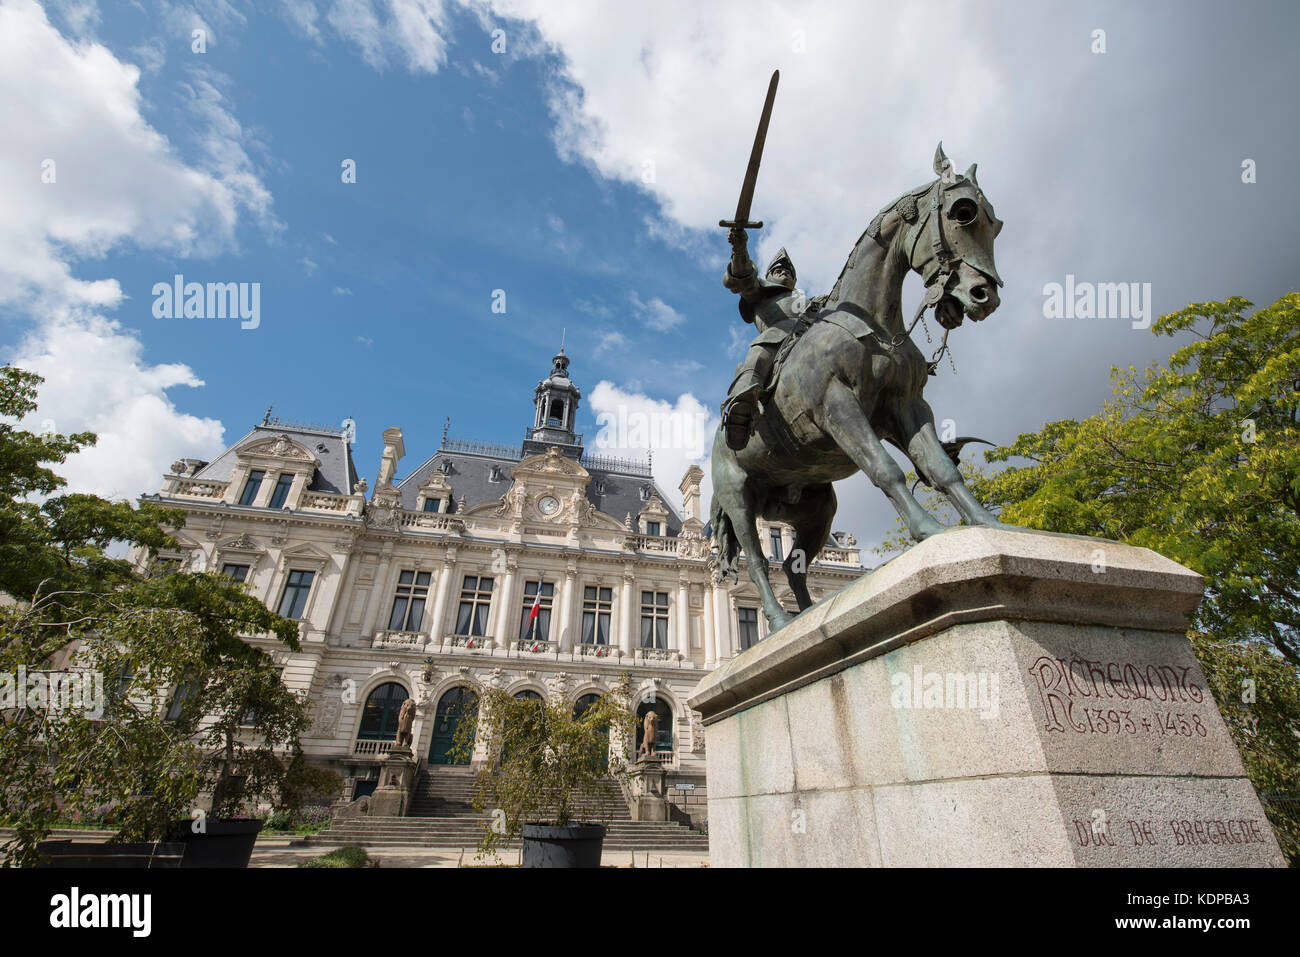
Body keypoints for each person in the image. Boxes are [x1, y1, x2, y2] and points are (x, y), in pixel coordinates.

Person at [721, 227, 810, 450]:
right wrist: (739, 248)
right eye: (778, 269)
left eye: (789, 270)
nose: (785, 272)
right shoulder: (758, 290)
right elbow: (742, 276)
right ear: (768, 275)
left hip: (810, 336)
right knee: (760, 352)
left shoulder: (806, 299)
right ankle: (742, 404)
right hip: (775, 336)